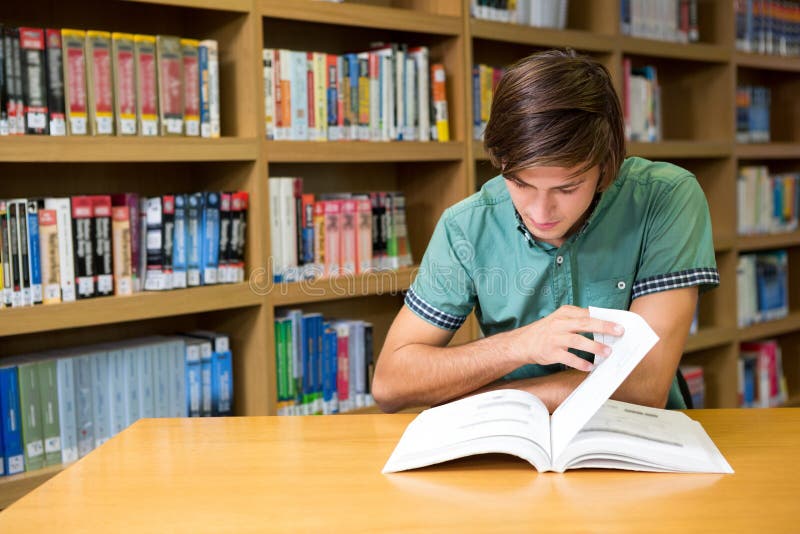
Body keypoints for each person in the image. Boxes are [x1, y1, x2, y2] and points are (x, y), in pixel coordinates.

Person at [371, 49, 719, 414]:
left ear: (606, 165)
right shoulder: (466, 226)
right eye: (521, 184)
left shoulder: (665, 198)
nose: (541, 212)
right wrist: (520, 345)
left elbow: (644, 386)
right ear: (501, 162)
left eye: (567, 189)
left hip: (638, 442)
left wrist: (479, 399)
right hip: (511, 447)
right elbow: (391, 384)